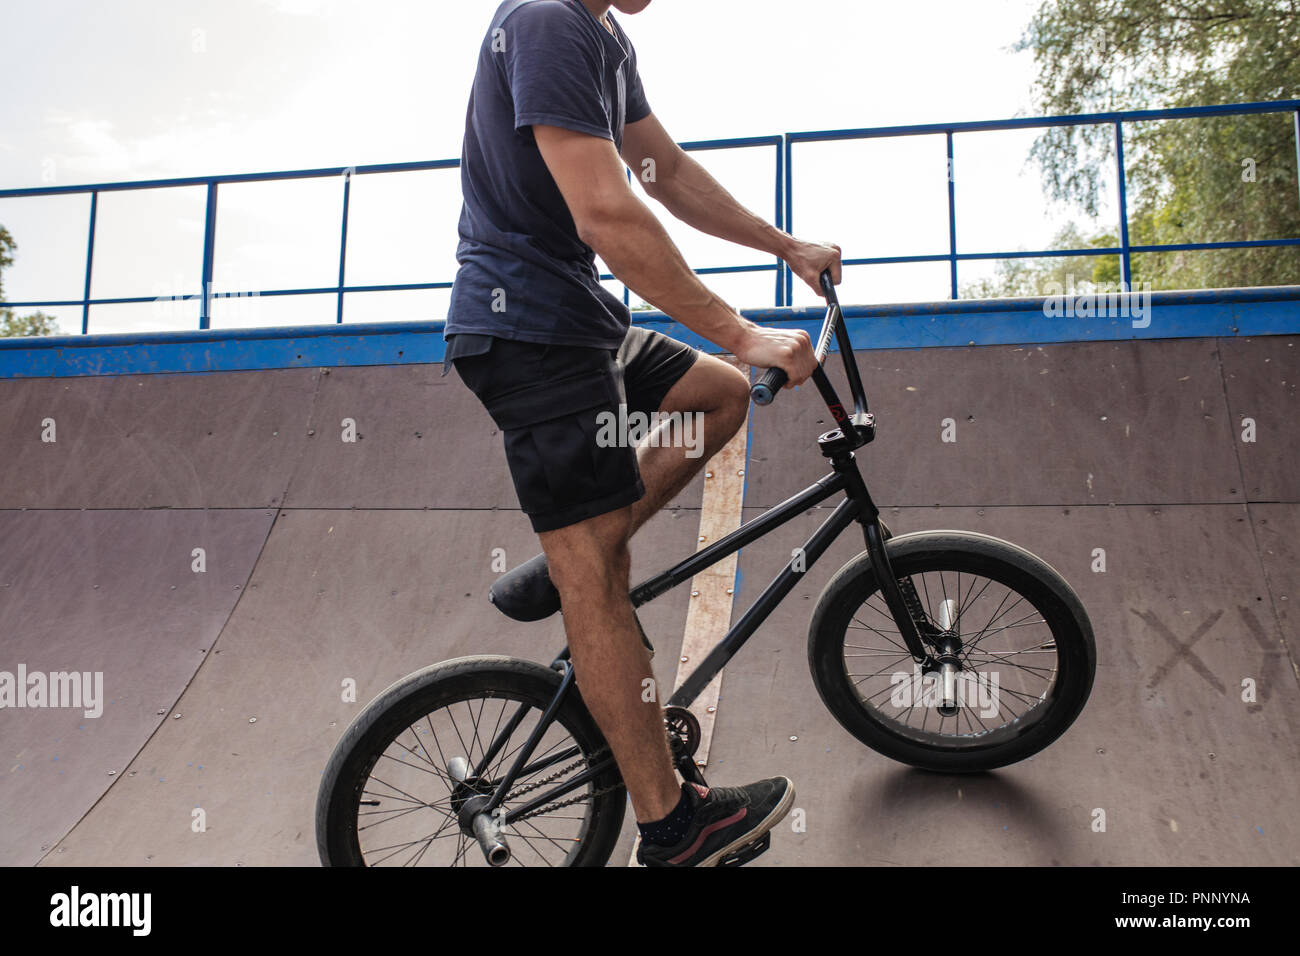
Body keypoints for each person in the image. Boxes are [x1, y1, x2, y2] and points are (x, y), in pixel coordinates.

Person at [444, 0, 840, 866]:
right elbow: (608, 215)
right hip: (531, 331)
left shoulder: (606, 39)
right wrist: (743, 327)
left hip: (580, 320)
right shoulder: (548, 19)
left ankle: (573, 562)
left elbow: (664, 170)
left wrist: (786, 245)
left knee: (718, 393)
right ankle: (672, 827)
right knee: (602, 581)